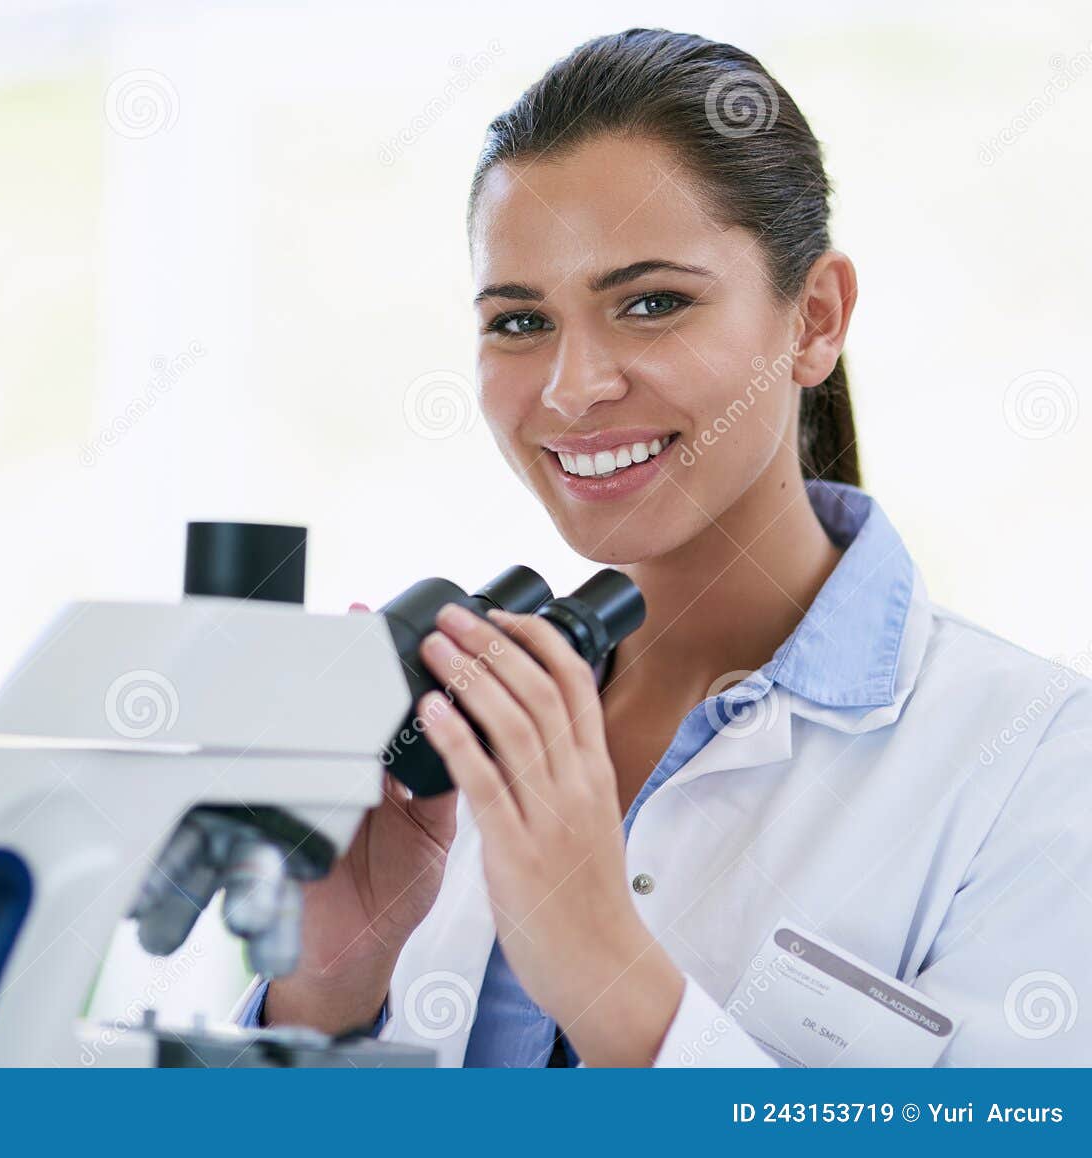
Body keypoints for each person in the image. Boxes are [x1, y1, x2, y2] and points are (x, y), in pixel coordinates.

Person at [233, 27, 1092, 1067]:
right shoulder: (443, 736)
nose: (571, 386)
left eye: (650, 303)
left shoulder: (1038, 764)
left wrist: (604, 970)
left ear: (813, 319)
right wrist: (325, 996)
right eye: (518, 322)